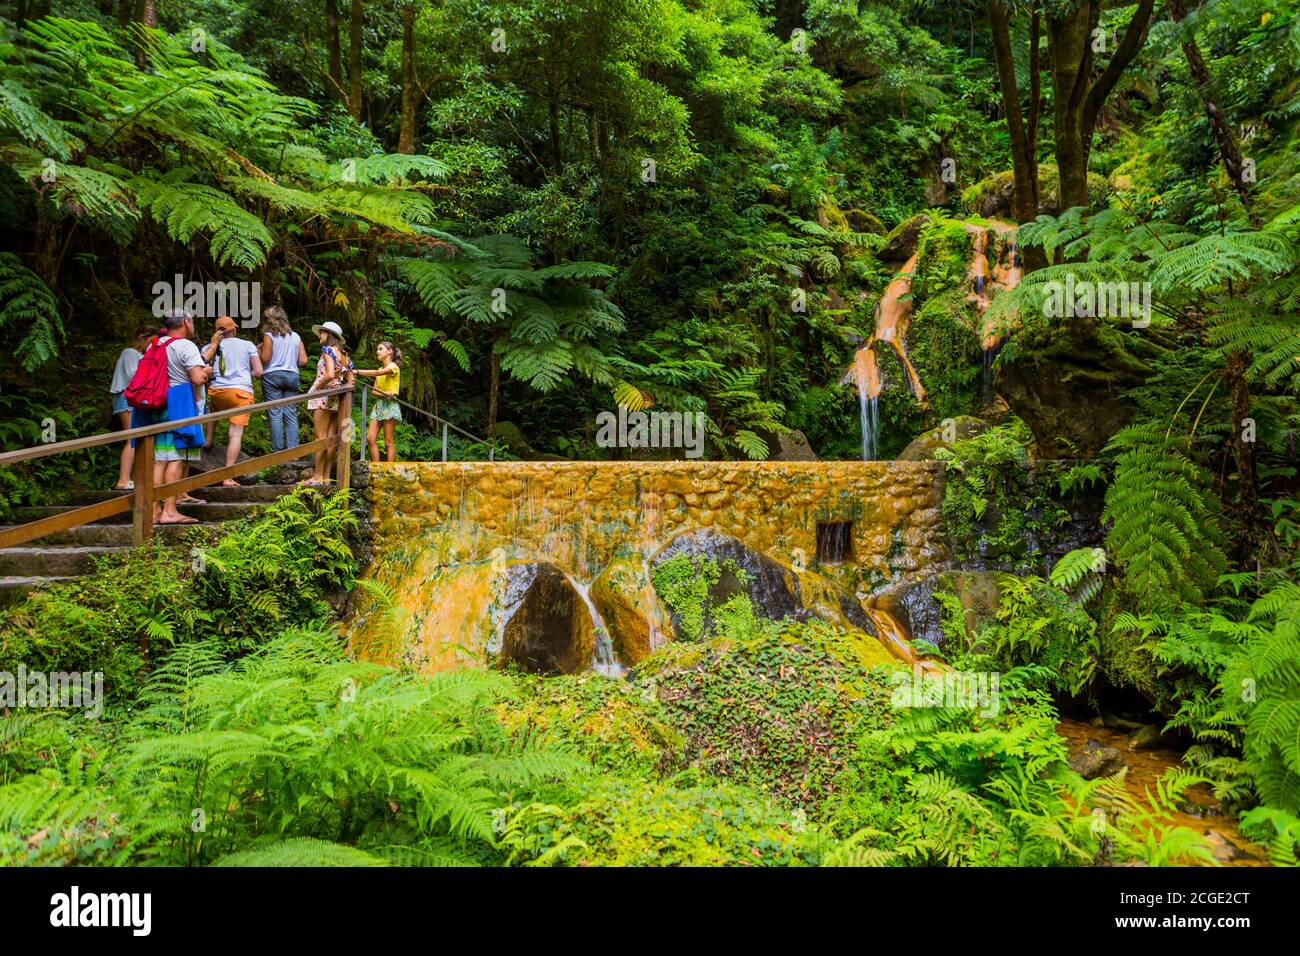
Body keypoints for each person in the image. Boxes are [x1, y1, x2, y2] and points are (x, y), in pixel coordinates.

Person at [130, 309, 211, 524]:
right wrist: (207, 371)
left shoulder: (155, 344)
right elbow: (197, 378)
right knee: (176, 456)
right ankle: (170, 511)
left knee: (159, 459)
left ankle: (155, 510)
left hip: (156, 404)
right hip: (178, 404)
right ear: (185, 322)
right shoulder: (186, 346)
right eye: (191, 322)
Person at [200, 316, 263, 486]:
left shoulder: (208, 347)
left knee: (214, 408)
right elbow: (258, 371)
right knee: (235, 433)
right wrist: (245, 373)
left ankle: (208, 440)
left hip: (217, 392)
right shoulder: (247, 345)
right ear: (234, 329)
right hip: (240, 393)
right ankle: (227, 476)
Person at [304, 321, 354, 485]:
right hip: (336, 398)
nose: (319, 336)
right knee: (331, 438)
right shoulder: (345, 355)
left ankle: (317, 476)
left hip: (323, 396)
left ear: (329, 335)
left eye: (322, 333)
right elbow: (351, 380)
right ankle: (325, 477)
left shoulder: (327, 350)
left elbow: (329, 374)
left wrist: (314, 389)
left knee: (320, 437)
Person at [110, 325, 155, 490]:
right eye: (150, 341)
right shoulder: (129, 353)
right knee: (132, 438)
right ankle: (123, 480)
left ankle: (134, 478)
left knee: (138, 439)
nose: (152, 345)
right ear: (141, 338)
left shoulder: (139, 355)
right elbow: (133, 375)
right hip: (126, 398)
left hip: (132, 399)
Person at [258, 305, 308, 452]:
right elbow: (304, 361)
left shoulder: (269, 335)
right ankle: (293, 451)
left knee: (275, 413)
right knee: (290, 413)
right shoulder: (296, 337)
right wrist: (290, 359)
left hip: (273, 376)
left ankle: (278, 452)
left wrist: (258, 350)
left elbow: (265, 359)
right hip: (292, 376)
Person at [355, 341, 403, 463]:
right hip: (379, 405)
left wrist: (357, 371)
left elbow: (377, 374)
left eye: (380, 349)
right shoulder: (380, 368)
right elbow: (374, 391)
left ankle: (389, 468)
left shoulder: (393, 367)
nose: (377, 351)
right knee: (370, 438)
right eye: (377, 349)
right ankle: (376, 466)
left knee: (388, 441)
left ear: (389, 351)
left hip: (390, 405)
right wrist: (383, 393)